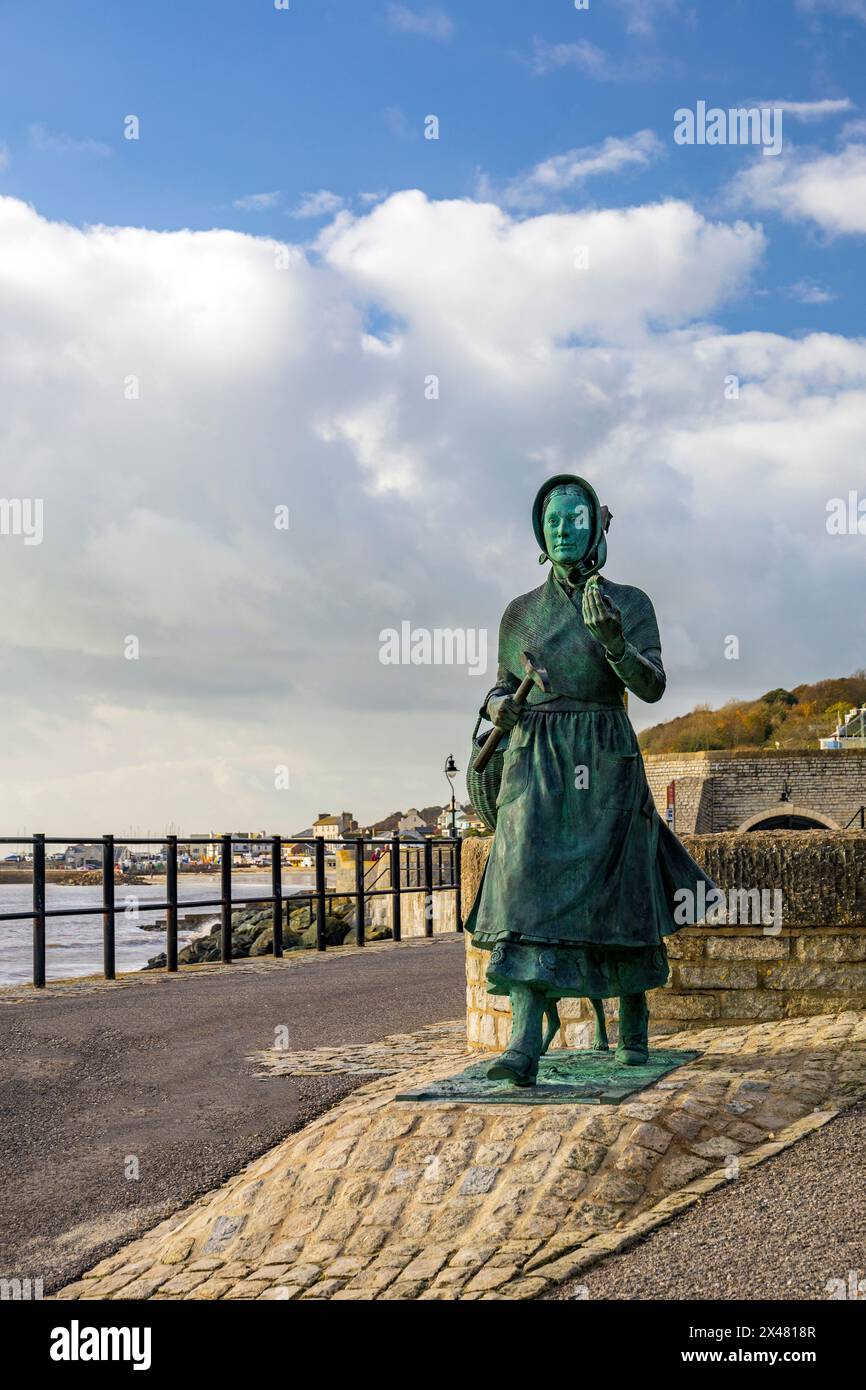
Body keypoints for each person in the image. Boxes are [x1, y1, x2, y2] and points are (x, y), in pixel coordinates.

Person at [465, 474, 714, 1086]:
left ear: (597, 527)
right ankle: (524, 1039)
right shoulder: (520, 613)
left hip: (604, 757)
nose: (562, 529)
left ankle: (634, 1021)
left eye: (575, 518)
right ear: (538, 531)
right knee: (522, 883)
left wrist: (613, 643)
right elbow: (500, 687)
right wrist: (498, 706)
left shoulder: (630, 603)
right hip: (536, 763)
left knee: (620, 887)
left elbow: (651, 686)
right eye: (552, 519)